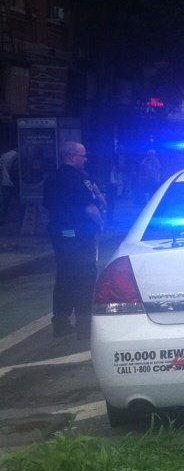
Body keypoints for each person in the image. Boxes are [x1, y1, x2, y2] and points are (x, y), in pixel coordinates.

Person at [43, 140, 104, 339]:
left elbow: (48, 207)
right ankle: (84, 326)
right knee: (85, 277)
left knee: (64, 276)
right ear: (72, 157)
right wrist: (100, 223)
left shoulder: (51, 178)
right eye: (82, 155)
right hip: (81, 235)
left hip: (59, 234)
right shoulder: (78, 179)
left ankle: (60, 322)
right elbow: (89, 207)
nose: (85, 159)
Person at [0, 144, 17, 228]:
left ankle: (2, 221)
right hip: (15, 183)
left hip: (5, 183)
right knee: (18, 202)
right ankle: (19, 220)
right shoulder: (17, 156)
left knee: (4, 203)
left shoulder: (3, 156)